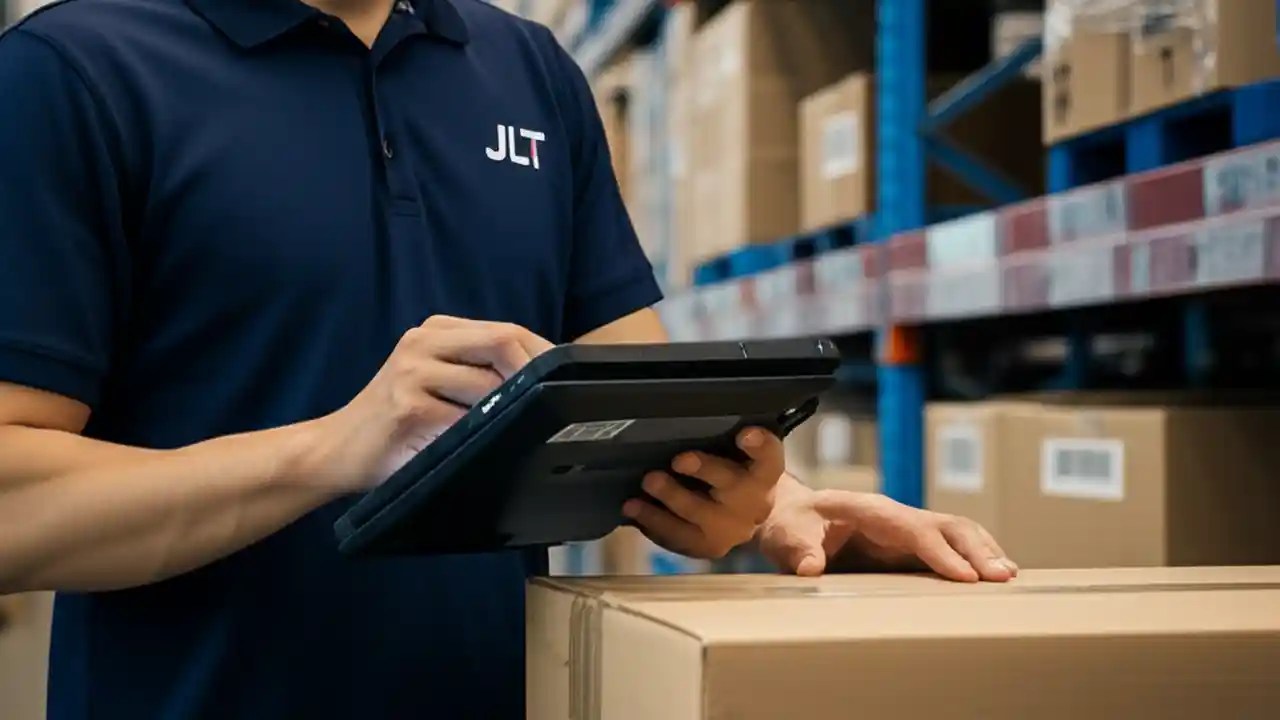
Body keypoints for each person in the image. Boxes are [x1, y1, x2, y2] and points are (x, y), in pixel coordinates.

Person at [0, 0, 1016, 717]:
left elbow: (641, 402)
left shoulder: (526, 69)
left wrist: (780, 503)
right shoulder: (76, 70)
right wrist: (334, 451)